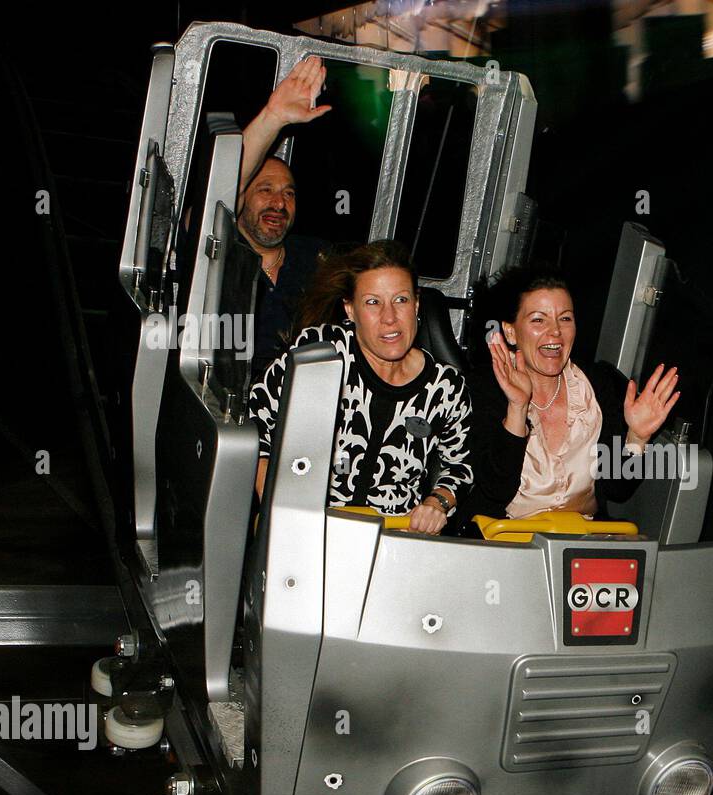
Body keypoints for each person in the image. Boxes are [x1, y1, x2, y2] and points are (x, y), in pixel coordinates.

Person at [248, 241, 472, 534]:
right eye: (372, 302)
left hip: (394, 539)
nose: (389, 317)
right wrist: (277, 506)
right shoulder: (321, 354)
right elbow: (255, 424)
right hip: (310, 532)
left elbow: (460, 469)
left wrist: (436, 503)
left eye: (401, 300)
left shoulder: (446, 386)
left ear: (416, 304)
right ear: (350, 309)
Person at [463, 266, 679, 526]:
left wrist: (637, 437)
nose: (555, 332)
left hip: (580, 542)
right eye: (538, 320)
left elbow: (618, 490)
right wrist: (518, 408)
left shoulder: (598, 385)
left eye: (565, 318)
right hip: (504, 541)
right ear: (510, 332)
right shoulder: (483, 388)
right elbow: (495, 489)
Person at [237, 56, 332, 381]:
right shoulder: (217, 253)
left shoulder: (317, 259)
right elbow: (221, 192)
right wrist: (273, 118)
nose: (279, 202)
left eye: (289, 193)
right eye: (265, 189)